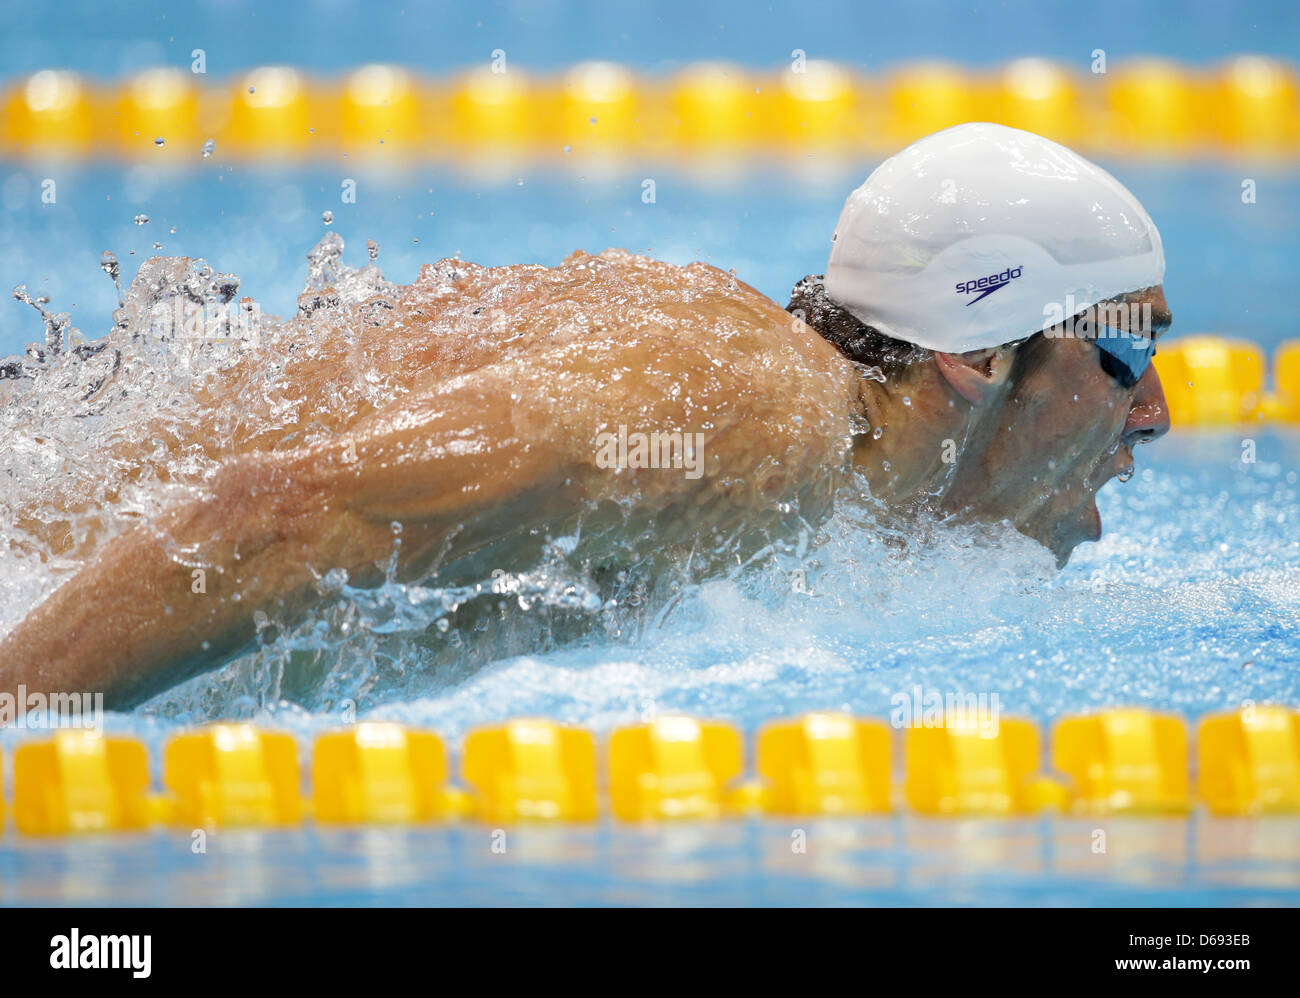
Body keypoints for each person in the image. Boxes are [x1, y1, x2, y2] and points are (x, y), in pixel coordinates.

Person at [0, 122, 1171, 708]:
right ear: (971, 350)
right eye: (1124, 348)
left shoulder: (813, 501)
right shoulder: (751, 415)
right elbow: (275, 514)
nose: (1157, 414)